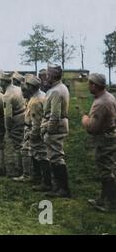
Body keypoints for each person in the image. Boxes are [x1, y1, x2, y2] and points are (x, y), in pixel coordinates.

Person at [81, 73, 116, 212]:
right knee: (108, 169)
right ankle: (104, 199)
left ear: (94, 85)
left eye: (89, 83)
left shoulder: (101, 103)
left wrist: (84, 118)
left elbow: (92, 128)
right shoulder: (109, 97)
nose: (88, 86)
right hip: (110, 136)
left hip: (104, 140)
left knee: (106, 171)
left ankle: (111, 204)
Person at [41, 65, 71, 198]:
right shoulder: (61, 88)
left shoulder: (56, 91)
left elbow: (54, 116)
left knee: (56, 157)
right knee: (55, 156)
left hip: (55, 128)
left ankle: (62, 189)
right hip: (58, 126)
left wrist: (48, 131)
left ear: (53, 76)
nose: (46, 77)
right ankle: (58, 186)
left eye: (48, 75)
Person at [0, 72, 26, 177]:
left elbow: (8, 116)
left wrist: (7, 127)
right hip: (23, 116)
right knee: (22, 143)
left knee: (17, 146)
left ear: (3, 82)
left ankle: (19, 169)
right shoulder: (18, 89)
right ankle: (25, 167)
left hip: (16, 119)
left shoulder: (7, 95)